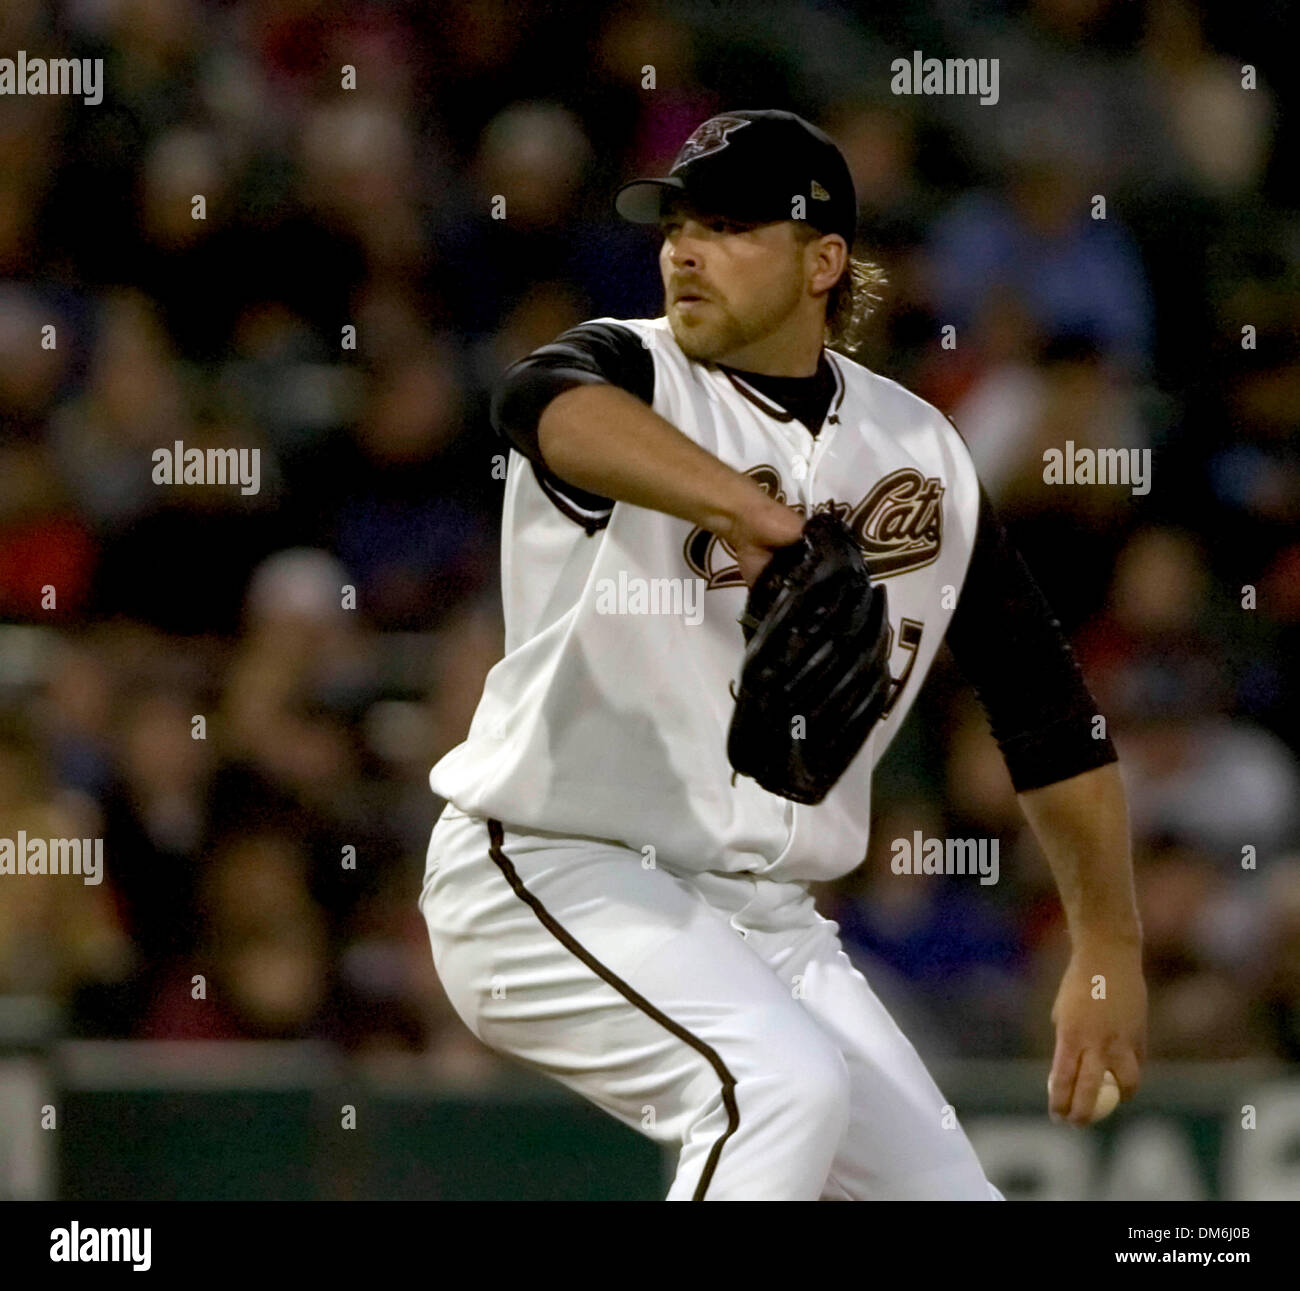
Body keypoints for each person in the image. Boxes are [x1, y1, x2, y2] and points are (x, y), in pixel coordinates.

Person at [419, 109, 1146, 1200]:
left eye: (726, 224)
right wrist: (759, 520)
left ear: (824, 262)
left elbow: (1043, 708)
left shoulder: (918, 450)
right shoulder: (635, 373)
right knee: (777, 1087)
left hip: (765, 917)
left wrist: (1107, 943)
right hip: (552, 867)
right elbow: (537, 403)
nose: (682, 249)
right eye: (676, 224)